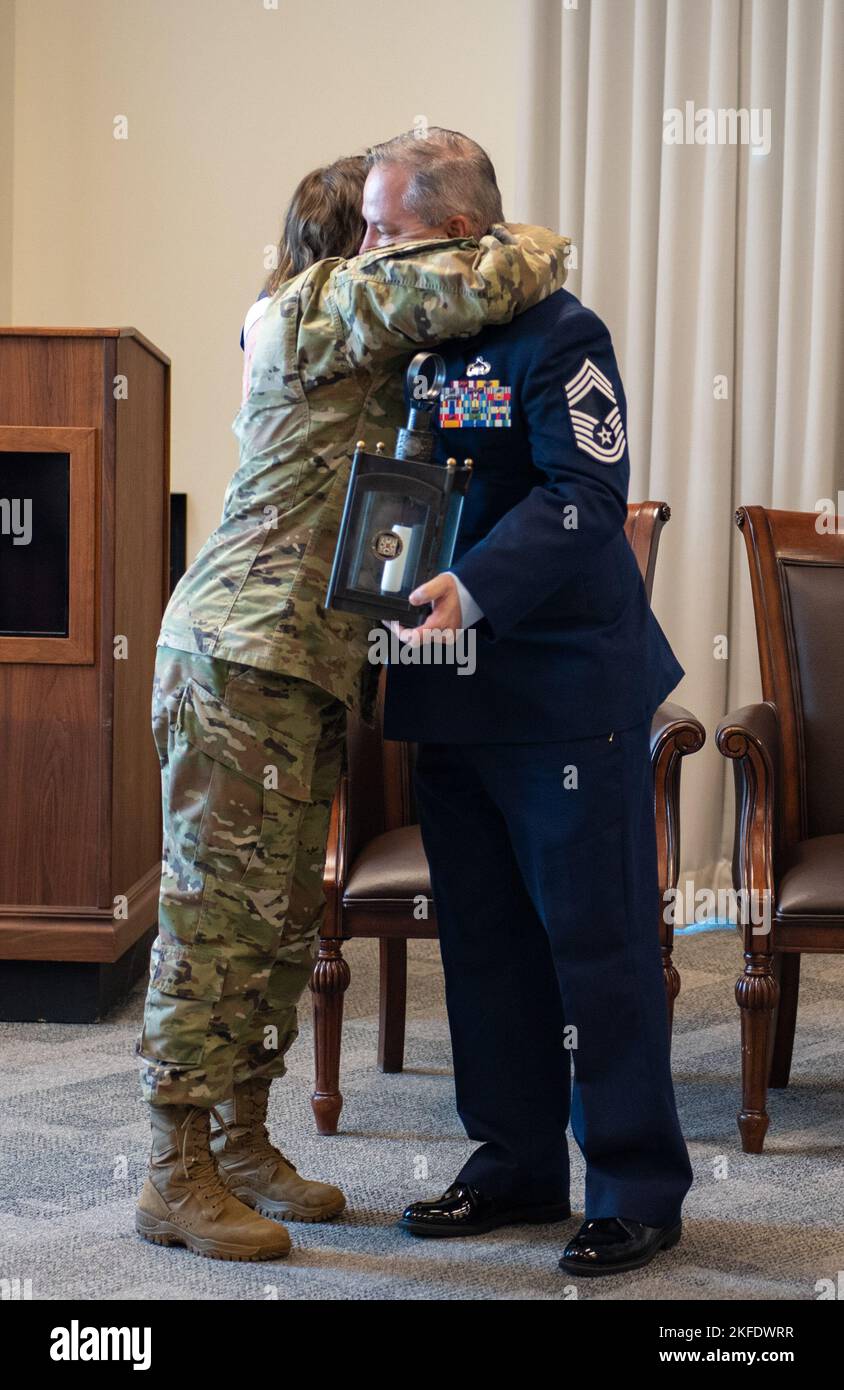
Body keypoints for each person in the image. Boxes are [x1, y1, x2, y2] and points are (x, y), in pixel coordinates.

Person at [133, 148, 570, 1262]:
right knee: (213, 918)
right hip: (240, 655)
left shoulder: (358, 343)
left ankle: (240, 1140)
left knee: (277, 918)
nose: (395, 250)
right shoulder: (313, 303)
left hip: (296, 666)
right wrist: (516, 235)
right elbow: (485, 278)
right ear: (350, 245)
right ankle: (169, 1170)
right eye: (379, 234)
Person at [368, 129, 694, 1277]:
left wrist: (477, 582)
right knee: (489, 947)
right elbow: (389, 491)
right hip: (447, 691)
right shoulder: (400, 340)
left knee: (592, 947)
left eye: (386, 229)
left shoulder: (562, 335)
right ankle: (510, 1161)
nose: (368, 249)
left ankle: (635, 1184)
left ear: (457, 233)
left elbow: (584, 495)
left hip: (562, 692)